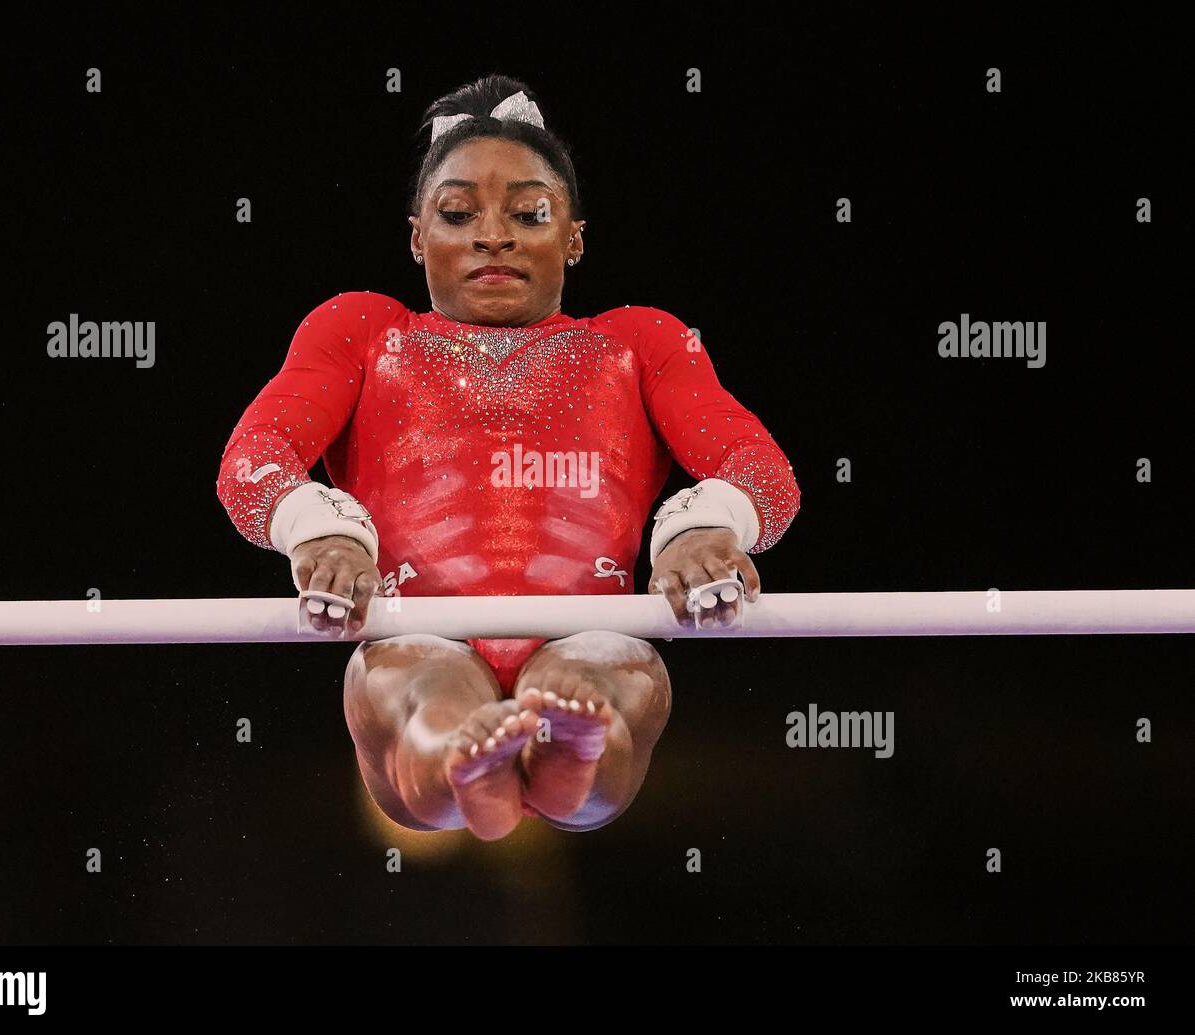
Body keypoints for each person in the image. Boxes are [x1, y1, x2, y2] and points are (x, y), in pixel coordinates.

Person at [217, 75, 800, 841]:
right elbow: (253, 456)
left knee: (590, 682)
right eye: (459, 214)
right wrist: (317, 528)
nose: (494, 235)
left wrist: (707, 527)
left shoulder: (640, 342)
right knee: (432, 689)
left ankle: (563, 751)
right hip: (415, 632)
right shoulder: (359, 332)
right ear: (418, 237)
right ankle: (468, 758)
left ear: (575, 237)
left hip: (588, 631)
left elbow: (761, 467)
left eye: (529, 213)